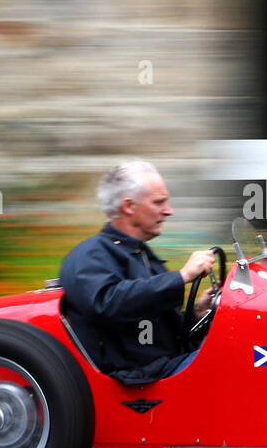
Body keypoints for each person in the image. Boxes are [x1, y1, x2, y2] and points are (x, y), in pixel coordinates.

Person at [59, 161, 216, 384]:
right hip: (137, 376)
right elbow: (107, 302)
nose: (168, 211)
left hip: (165, 365)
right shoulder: (91, 253)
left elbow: (154, 324)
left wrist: (197, 314)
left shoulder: (140, 253)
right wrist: (181, 277)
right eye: (159, 202)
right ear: (129, 206)